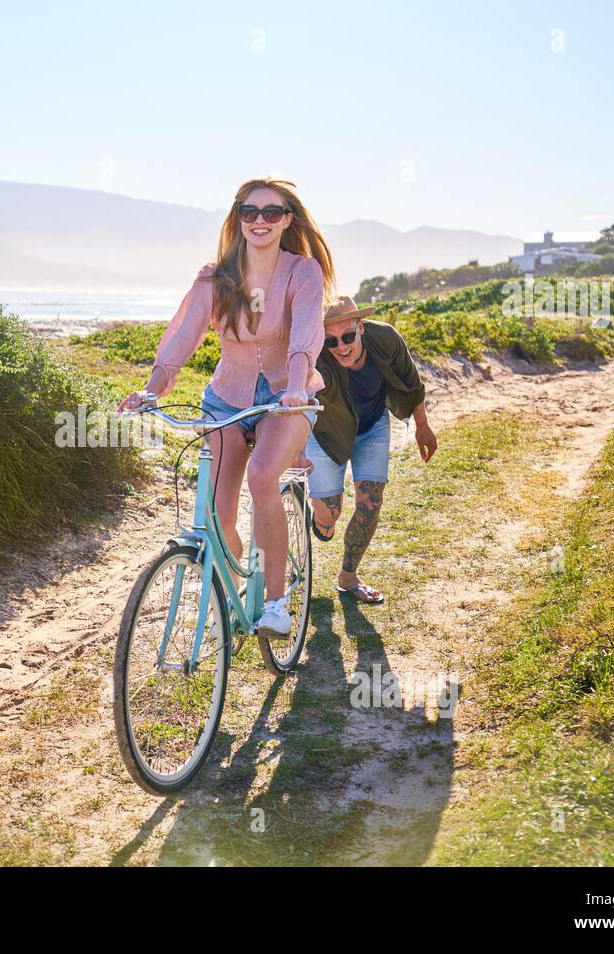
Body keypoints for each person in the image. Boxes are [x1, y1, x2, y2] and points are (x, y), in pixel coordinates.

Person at [120, 177, 335, 636]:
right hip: (226, 399)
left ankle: (275, 604)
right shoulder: (217, 277)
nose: (259, 221)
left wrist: (297, 387)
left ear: (286, 221)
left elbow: (304, 339)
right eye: (249, 211)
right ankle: (236, 587)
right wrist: (152, 389)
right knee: (217, 511)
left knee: (261, 479)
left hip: (286, 399)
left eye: (271, 213)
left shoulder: (303, 272)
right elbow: (181, 340)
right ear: (237, 218)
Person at [298, 295, 438, 605]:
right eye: (331, 340)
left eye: (347, 336)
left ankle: (349, 577)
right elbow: (298, 399)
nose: (341, 347)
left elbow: (411, 382)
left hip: (372, 425)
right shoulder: (315, 354)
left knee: (370, 503)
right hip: (327, 432)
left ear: (361, 328)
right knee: (329, 518)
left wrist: (423, 425)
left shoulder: (385, 338)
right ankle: (320, 516)